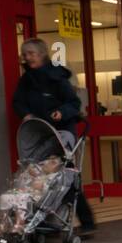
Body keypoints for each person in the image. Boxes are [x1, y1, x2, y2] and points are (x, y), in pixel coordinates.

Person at [12, 37, 95, 231]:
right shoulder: (26, 80)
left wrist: (61, 112)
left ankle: (86, 220)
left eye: (31, 53)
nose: (27, 57)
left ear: (42, 55)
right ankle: (38, 221)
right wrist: (26, 114)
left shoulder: (56, 77)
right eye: (25, 54)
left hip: (62, 131)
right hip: (40, 132)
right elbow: (18, 102)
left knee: (64, 175)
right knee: (37, 177)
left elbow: (73, 103)